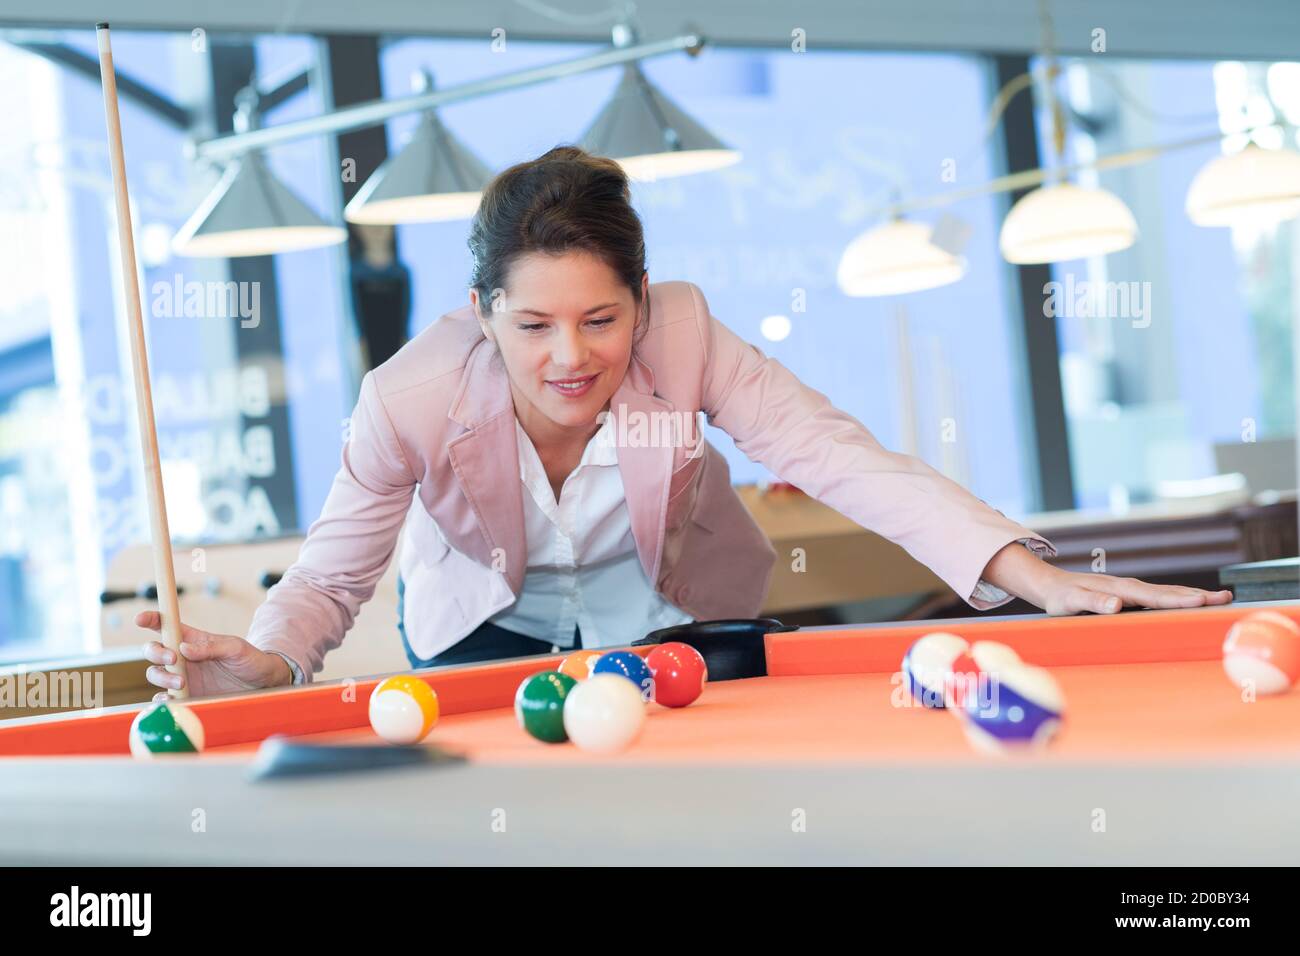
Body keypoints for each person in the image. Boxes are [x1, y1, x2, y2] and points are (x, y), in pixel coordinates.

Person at [139, 145, 1231, 696]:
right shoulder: (407, 398)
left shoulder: (689, 335)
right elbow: (331, 579)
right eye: (532, 325)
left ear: (643, 297)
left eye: (602, 318)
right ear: (483, 315)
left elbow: (838, 457)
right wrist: (272, 663)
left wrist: (1032, 575)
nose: (571, 357)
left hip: (672, 611)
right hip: (481, 625)